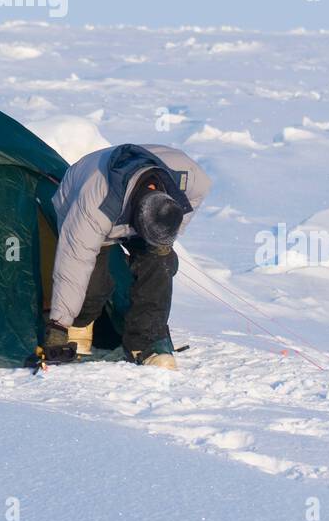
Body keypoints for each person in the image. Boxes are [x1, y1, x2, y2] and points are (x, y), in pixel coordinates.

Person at [44, 142, 210, 369]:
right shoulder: (94, 207)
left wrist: (167, 236)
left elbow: (192, 201)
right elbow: (73, 264)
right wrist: (59, 326)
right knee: (92, 283)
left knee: (161, 261)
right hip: (80, 195)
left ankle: (145, 343)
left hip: (138, 207)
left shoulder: (188, 177)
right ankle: (79, 324)